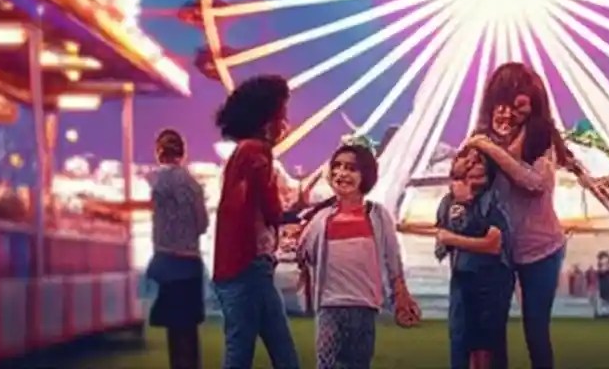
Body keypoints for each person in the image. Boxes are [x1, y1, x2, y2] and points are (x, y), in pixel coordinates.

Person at [462, 62, 591, 368]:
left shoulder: (539, 137)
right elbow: (463, 182)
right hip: (500, 251)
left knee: (535, 331)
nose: (511, 111)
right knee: (491, 332)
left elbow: (536, 183)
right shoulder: (484, 136)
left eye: (520, 101)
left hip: (542, 249)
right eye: (505, 101)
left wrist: (492, 150)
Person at [298, 141, 420, 369]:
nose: (341, 173)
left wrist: (400, 294)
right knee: (327, 364)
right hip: (329, 306)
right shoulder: (320, 219)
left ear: (366, 176)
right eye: (337, 166)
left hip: (365, 306)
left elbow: (393, 260)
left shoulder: (378, 216)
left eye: (351, 168)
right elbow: (303, 253)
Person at [211, 75, 300, 369]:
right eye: (282, 116)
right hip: (247, 267)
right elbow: (271, 208)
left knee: (279, 350)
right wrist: (297, 212)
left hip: (244, 268)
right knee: (247, 353)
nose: (285, 124)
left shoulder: (242, 152)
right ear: (267, 121)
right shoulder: (256, 152)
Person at [436, 146, 514, 369]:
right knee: (460, 340)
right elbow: (441, 240)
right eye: (466, 159)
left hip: (491, 280)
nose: (470, 163)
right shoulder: (447, 202)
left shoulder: (493, 199)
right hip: (462, 277)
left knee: (486, 345)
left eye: (477, 160)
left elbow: (493, 244)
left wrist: (453, 237)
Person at [146, 129, 208, 369]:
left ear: (159, 152)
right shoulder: (194, 184)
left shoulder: (158, 179)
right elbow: (202, 225)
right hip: (191, 263)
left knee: (174, 330)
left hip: (168, 262)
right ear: (183, 152)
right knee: (189, 330)